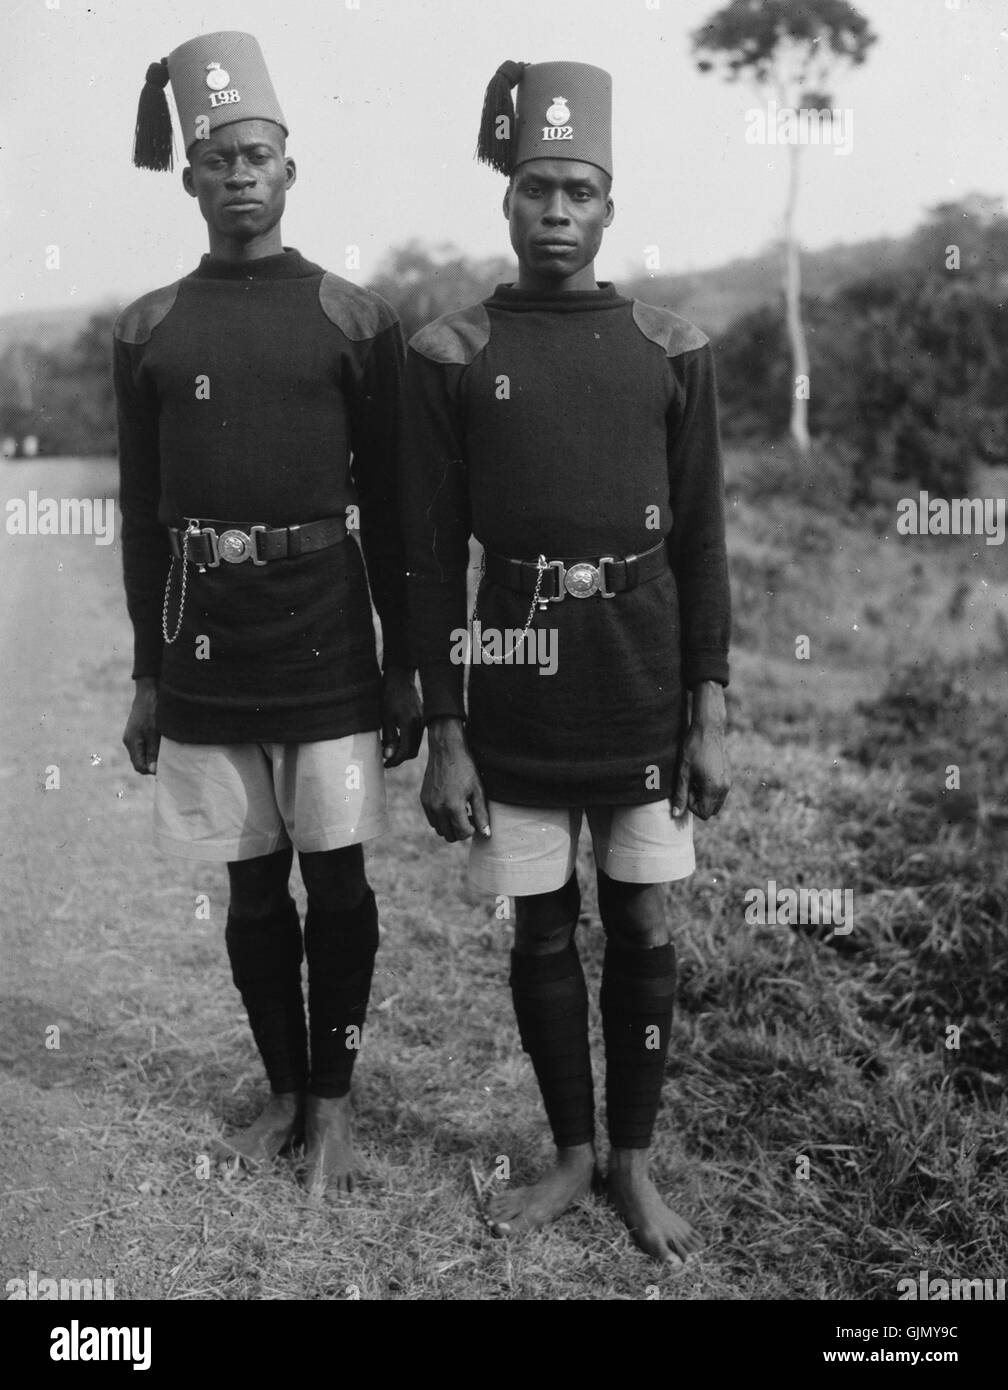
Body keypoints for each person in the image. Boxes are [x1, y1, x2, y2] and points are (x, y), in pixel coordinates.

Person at [401, 59, 731, 1261]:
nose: (556, 209)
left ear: (608, 206)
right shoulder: (449, 351)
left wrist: (711, 710)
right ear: (506, 198)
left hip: (640, 684)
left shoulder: (670, 346)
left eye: (579, 189)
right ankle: (572, 1152)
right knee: (539, 930)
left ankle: (634, 1162)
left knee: (641, 921)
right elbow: (432, 564)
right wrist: (445, 730)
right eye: (537, 186)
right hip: (516, 687)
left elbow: (702, 541)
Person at [114, 31, 421, 1198]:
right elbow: (145, 518)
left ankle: (335, 1107)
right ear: (188, 175)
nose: (239, 174)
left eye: (258, 155)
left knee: (335, 881)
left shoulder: (354, 317)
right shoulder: (149, 328)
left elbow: (393, 514)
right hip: (205, 649)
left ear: (290, 171)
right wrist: (149, 673)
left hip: (328, 640)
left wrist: (404, 670)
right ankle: (284, 1091)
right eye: (216, 157)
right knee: (249, 885)